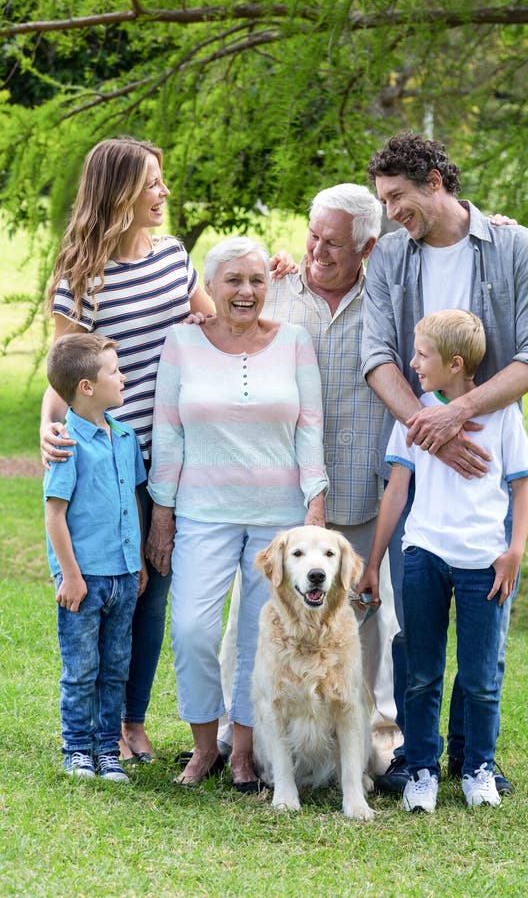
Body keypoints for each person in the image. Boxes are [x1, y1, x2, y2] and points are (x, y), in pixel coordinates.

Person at [39, 136, 294, 764]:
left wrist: (271, 284)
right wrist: (49, 427)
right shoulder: (79, 277)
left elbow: (220, 323)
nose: (164, 193)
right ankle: (98, 724)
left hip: (172, 459)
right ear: (121, 190)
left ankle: (129, 720)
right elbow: (63, 369)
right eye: (154, 182)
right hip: (107, 460)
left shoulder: (175, 257)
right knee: (115, 588)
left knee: (154, 591)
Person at [361, 131, 528, 794]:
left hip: (486, 453)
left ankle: (474, 754)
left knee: (483, 618)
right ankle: (416, 755)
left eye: (397, 197)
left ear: (434, 181)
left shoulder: (515, 247)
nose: (391, 213)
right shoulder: (390, 258)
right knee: (413, 609)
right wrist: (430, 426)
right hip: (419, 450)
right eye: (383, 200)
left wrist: (459, 412)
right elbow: (377, 356)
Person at [218, 183, 403, 765]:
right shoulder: (274, 291)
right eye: (312, 236)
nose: (317, 251)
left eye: (334, 244)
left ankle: (372, 742)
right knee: (254, 617)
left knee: (367, 622)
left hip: (359, 490)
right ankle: (238, 736)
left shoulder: (388, 302)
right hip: (281, 495)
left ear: (368, 246)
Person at [146, 236, 328, 791]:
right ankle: (205, 747)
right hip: (203, 512)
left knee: (261, 636)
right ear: (211, 287)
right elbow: (168, 432)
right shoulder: (182, 342)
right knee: (194, 630)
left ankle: (244, 751)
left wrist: (314, 512)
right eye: (233, 281)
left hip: (279, 518)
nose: (246, 292)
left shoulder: (294, 341)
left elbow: (310, 428)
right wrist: (162, 514)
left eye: (256, 280)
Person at [358, 309, 528, 812]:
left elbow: (522, 487)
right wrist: (373, 563)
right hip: (424, 557)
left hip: (485, 563)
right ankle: (421, 770)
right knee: (421, 672)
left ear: (455, 363)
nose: (412, 363)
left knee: (480, 677)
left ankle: (478, 767)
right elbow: (397, 491)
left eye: (421, 355)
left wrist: (514, 552)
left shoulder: (503, 415)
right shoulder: (416, 416)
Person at [44, 333, 147, 783]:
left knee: (114, 667)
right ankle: (77, 750)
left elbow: (134, 502)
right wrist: (70, 575)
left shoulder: (125, 437)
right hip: (83, 580)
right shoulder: (67, 443)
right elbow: (55, 516)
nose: (123, 376)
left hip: (123, 576)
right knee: (82, 669)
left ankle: (108, 751)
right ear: (87, 386)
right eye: (114, 371)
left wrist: (138, 562)